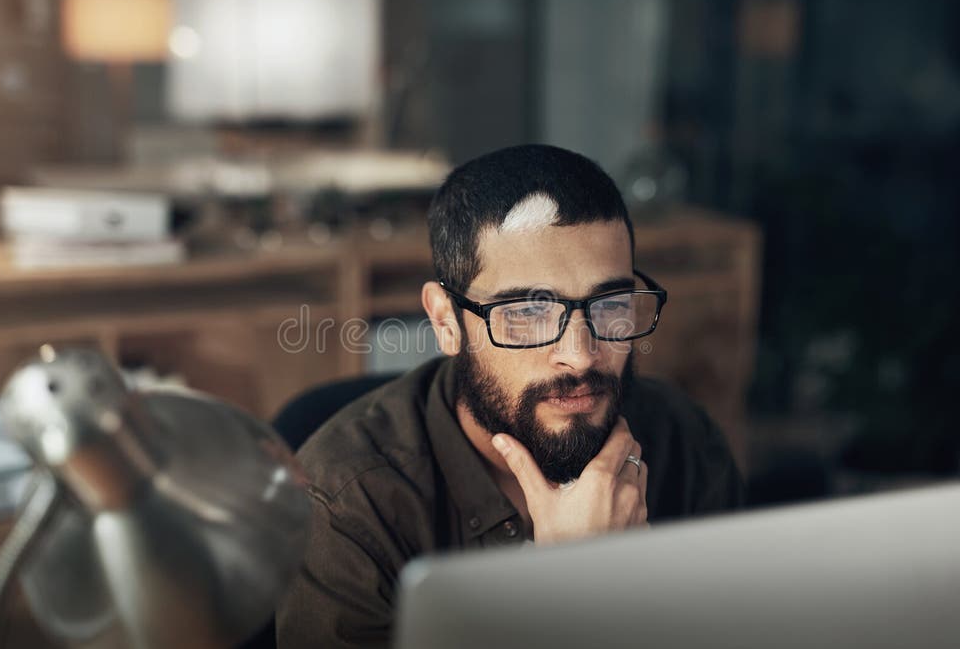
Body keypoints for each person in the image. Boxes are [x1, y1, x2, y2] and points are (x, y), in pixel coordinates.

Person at [276, 144, 744, 647]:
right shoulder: (346, 505)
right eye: (527, 311)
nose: (582, 355)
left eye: (610, 303)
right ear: (445, 321)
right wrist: (570, 589)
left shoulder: (684, 442)